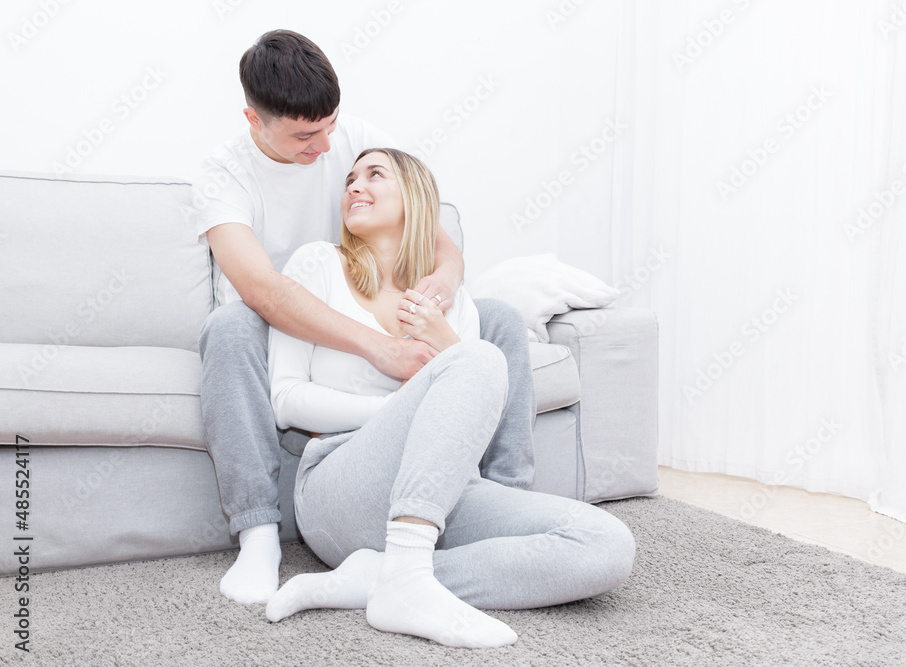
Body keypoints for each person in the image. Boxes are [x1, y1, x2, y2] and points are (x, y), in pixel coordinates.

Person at [194, 30, 536, 605]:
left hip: (361, 292)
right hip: (275, 309)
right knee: (227, 328)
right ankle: (257, 534)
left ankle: (505, 497)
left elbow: (432, 228)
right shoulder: (223, 173)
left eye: (330, 125)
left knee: (498, 319)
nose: (328, 148)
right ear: (255, 119)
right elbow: (262, 290)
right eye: (306, 135)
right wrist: (377, 350)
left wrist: (444, 281)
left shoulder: (354, 139)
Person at [263, 148, 635, 649]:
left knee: (606, 545)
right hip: (340, 484)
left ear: (415, 198)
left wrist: (444, 341)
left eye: (375, 175)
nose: (354, 186)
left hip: (442, 495)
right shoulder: (317, 263)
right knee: (480, 358)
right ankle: (405, 573)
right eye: (350, 179)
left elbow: (470, 411)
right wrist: (404, 405)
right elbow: (286, 400)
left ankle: (386, 576)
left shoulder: (450, 302)